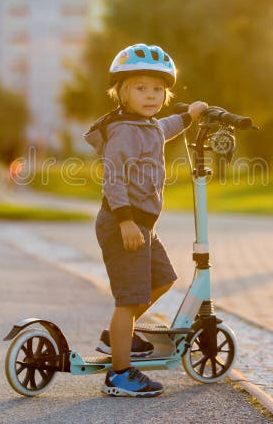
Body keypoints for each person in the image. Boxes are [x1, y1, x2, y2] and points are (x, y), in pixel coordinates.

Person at [83, 43, 207, 397]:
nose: (151, 95)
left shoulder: (146, 125)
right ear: (121, 92)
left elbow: (164, 128)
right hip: (125, 224)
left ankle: (118, 337)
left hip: (143, 226)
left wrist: (190, 116)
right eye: (141, 88)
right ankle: (119, 374)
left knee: (163, 279)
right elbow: (114, 178)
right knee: (128, 301)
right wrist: (125, 222)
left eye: (157, 89)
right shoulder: (123, 130)